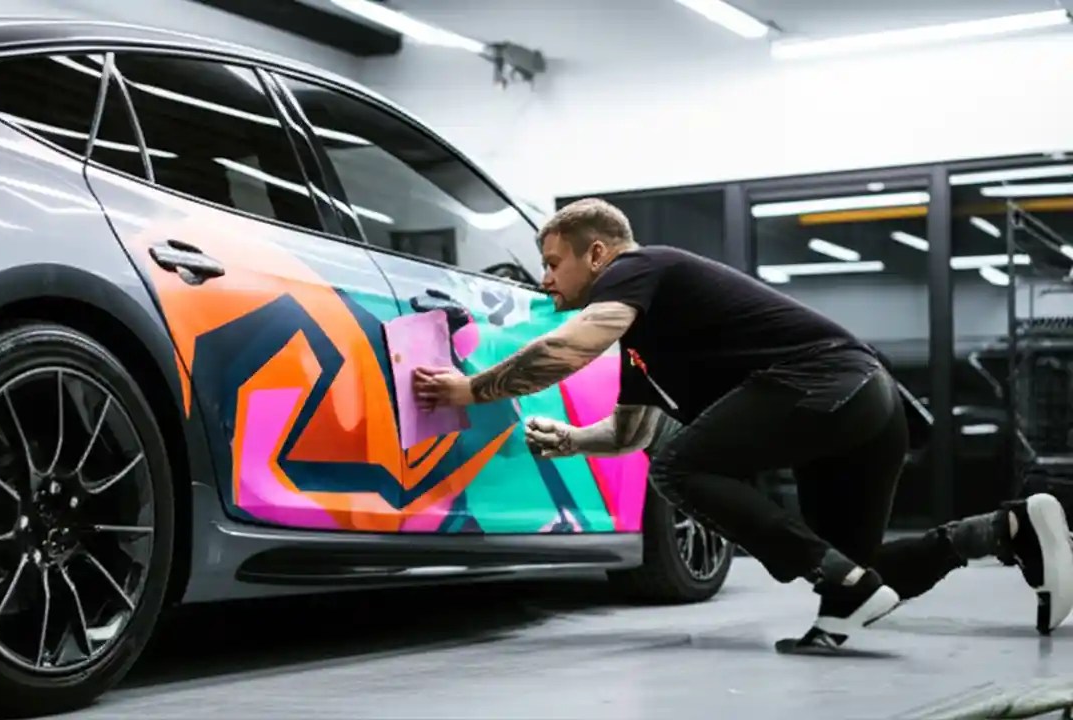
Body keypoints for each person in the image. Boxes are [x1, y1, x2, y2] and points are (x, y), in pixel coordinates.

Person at [412, 197, 1073, 648]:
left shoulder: (638, 267)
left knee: (680, 469)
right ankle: (1001, 530)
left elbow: (573, 345)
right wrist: (573, 440)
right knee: (858, 569)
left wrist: (470, 388)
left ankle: (840, 582)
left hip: (824, 385)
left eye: (553, 263)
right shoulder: (647, 339)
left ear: (598, 254)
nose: (545, 279)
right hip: (866, 402)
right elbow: (632, 431)